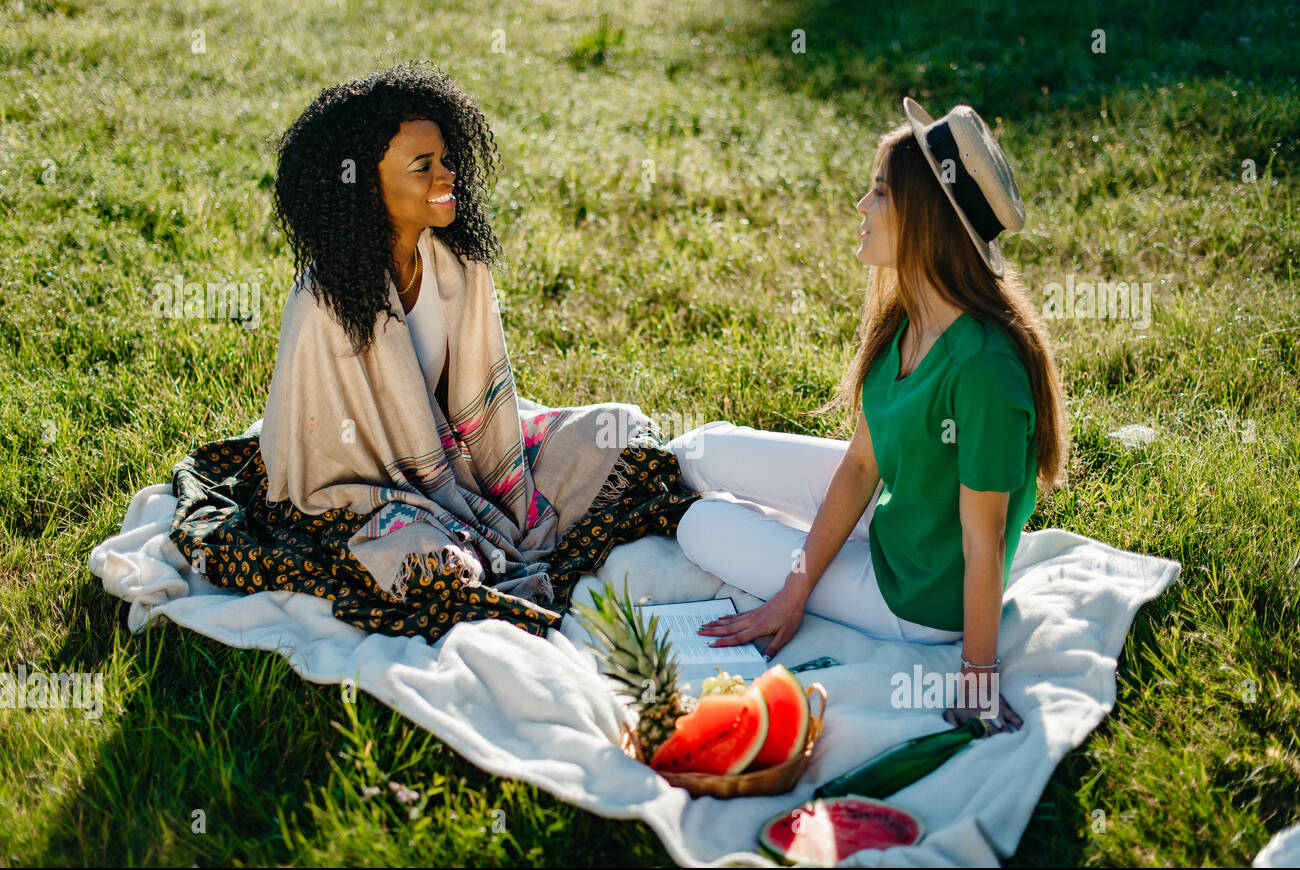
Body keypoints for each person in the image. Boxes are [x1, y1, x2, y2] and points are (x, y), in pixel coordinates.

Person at [166, 62, 699, 644]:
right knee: (431, 564)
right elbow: (316, 464)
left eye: (446, 158)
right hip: (359, 491)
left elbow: (477, 409)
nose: (447, 175)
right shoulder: (327, 304)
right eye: (424, 166)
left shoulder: (458, 263)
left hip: (459, 460)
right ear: (367, 186)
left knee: (617, 436)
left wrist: (460, 477)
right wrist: (426, 496)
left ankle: (480, 521)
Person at [665, 98, 1071, 733]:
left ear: (927, 218)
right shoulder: (914, 313)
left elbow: (982, 539)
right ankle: (628, 469)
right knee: (705, 449)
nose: (862, 206)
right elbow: (861, 463)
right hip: (897, 515)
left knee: (701, 525)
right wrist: (798, 587)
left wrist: (979, 678)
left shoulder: (986, 369)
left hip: (920, 596)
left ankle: (716, 516)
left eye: (879, 192)